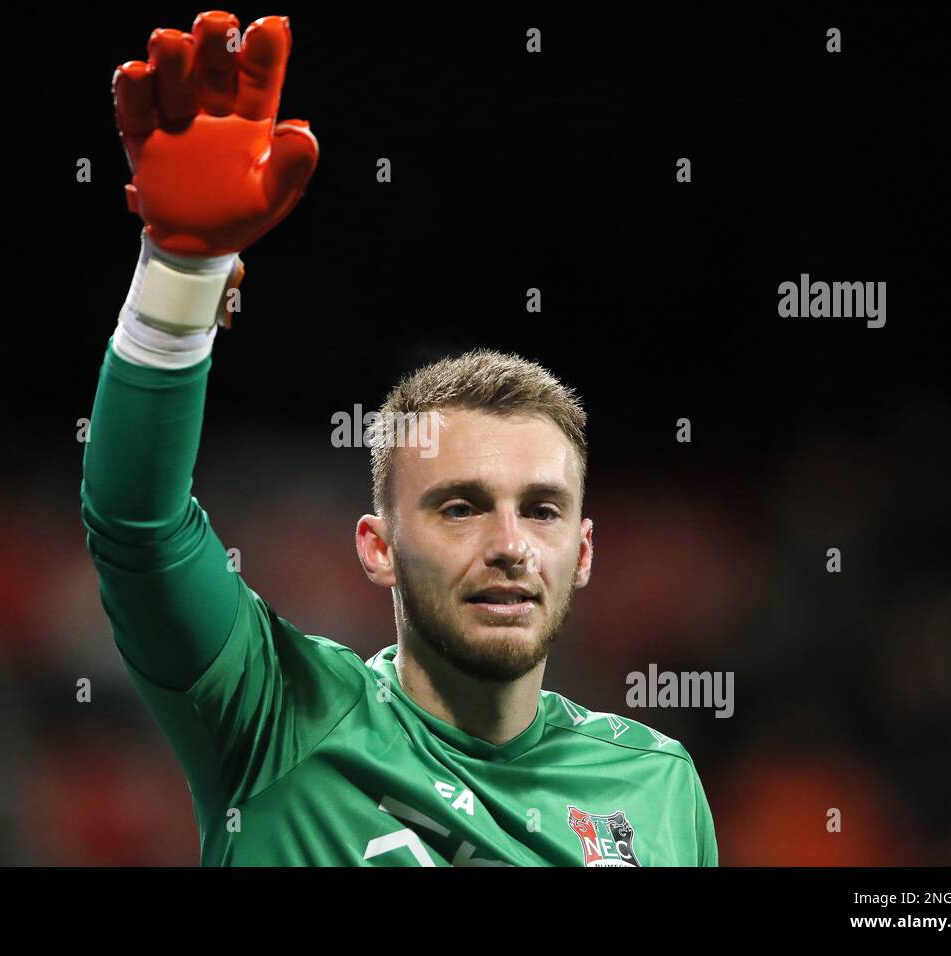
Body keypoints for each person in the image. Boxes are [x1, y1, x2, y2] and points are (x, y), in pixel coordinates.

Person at [81, 10, 717, 866]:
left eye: (542, 510)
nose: (509, 546)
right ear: (377, 545)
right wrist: (183, 271)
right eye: (459, 508)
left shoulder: (658, 787)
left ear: (584, 549)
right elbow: (136, 524)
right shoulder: (279, 718)